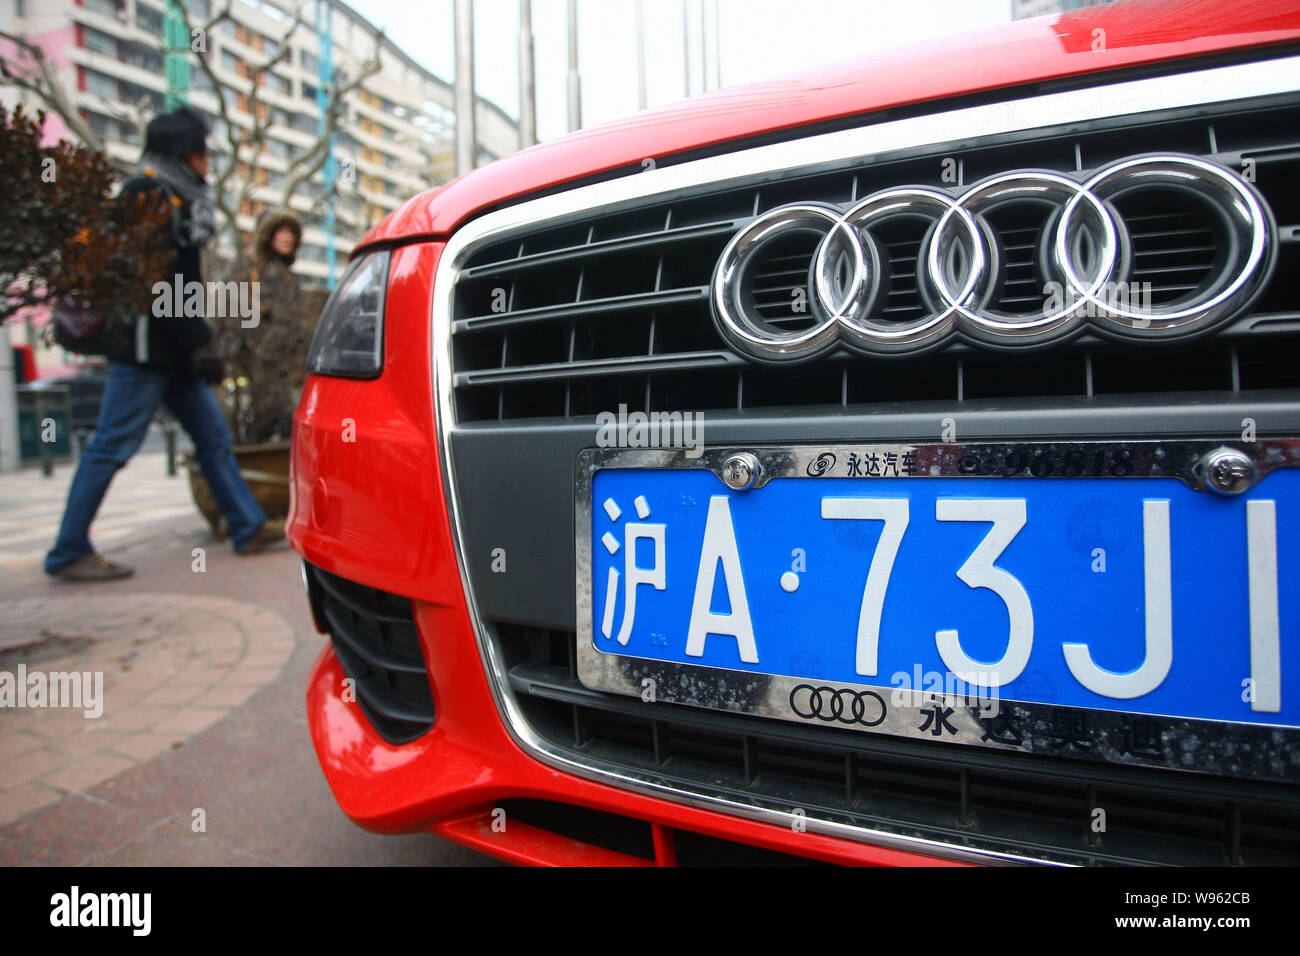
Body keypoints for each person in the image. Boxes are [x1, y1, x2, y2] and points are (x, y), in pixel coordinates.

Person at [44, 106, 284, 582]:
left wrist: (195, 344)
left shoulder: (177, 195)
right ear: (186, 152)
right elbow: (159, 282)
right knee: (113, 444)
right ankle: (68, 549)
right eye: (203, 150)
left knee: (213, 439)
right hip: (144, 350)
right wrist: (199, 341)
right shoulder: (148, 192)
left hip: (173, 351)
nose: (208, 160)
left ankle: (247, 526)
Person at [221, 208, 305, 441]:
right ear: (267, 235)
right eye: (281, 231)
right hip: (259, 366)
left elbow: (296, 322)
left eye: (291, 232)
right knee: (263, 426)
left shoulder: (289, 277)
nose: (288, 237)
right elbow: (231, 312)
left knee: (290, 427)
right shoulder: (248, 267)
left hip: (289, 367)